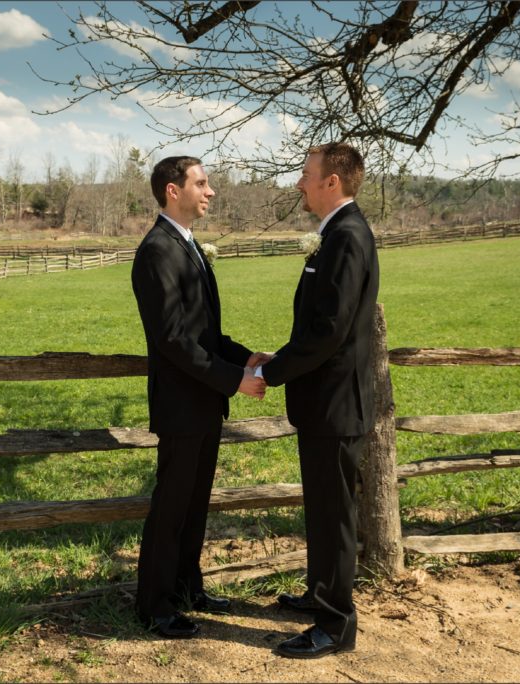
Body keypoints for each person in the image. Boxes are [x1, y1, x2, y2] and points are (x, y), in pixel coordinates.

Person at [131, 155, 267, 639]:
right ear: (173, 190)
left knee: (194, 504)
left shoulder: (187, 245)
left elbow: (206, 333)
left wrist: (248, 357)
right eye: (202, 183)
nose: (210, 192)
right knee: (172, 506)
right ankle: (155, 605)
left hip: (204, 400)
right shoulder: (157, 251)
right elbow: (172, 340)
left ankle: (189, 588)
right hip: (183, 403)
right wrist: (234, 379)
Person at [255, 142, 379, 658]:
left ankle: (335, 625)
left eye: (307, 174)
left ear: (333, 182)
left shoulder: (347, 237)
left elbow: (328, 330)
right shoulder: (335, 235)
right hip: (323, 403)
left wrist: (271, 371)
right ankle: (319, 595)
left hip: (335, 405)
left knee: (334, 516)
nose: (300, 183)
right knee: (323, 509)